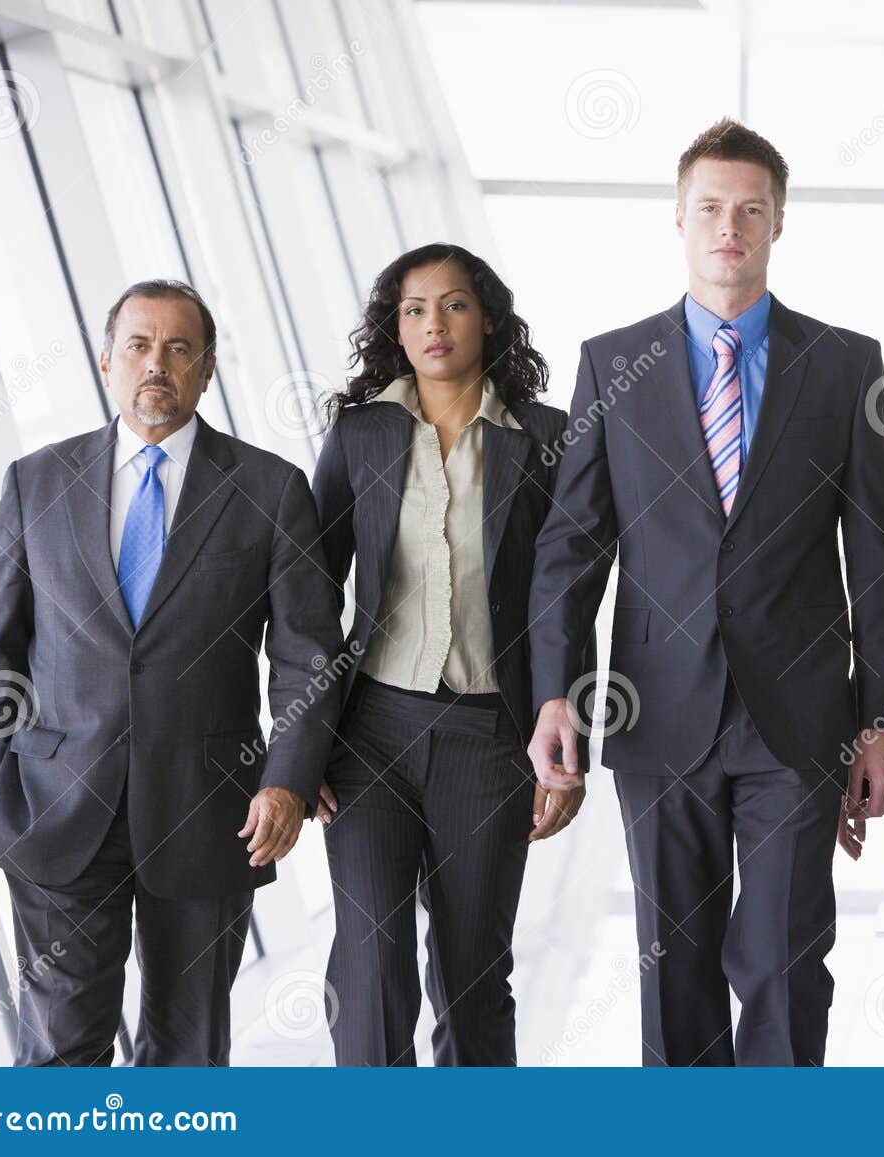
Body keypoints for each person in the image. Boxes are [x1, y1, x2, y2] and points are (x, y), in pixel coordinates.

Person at [526, 119, 884, 1066]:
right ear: (679, 219)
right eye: (710, 207)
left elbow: (878, 556)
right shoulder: (611, 363)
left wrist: (881, 716)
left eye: (750, 208)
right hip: (658, 710)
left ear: (779, 220)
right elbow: (573, 546)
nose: (729, 225)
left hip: (802, 716)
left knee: (787, 954)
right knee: (675, 965)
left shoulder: (844, 363)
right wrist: (553, 691)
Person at [0, 280, 343, 1065]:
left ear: (206, 370)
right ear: (106, 360)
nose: (155, 364)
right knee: (62, 1046)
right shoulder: (36, 482)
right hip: (56, 810)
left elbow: (307, 653)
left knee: (188, 1049)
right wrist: (3, 771)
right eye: (138, 345)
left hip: (209, 811)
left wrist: (288, 778)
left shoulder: (269, 489)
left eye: (178, 348)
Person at [311, 244, 581, 1065]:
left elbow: (565, 591)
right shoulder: (359, 434)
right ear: (394, 327)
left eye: (454, 304)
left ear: (487, 317)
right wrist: (298, 747)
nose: (435, 323)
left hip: (488, 737)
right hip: (368, 736)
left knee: (470, 974)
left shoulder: (544, 436)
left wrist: (563, 745)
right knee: (370, 965)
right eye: (414, 308)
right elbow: (308, 591)